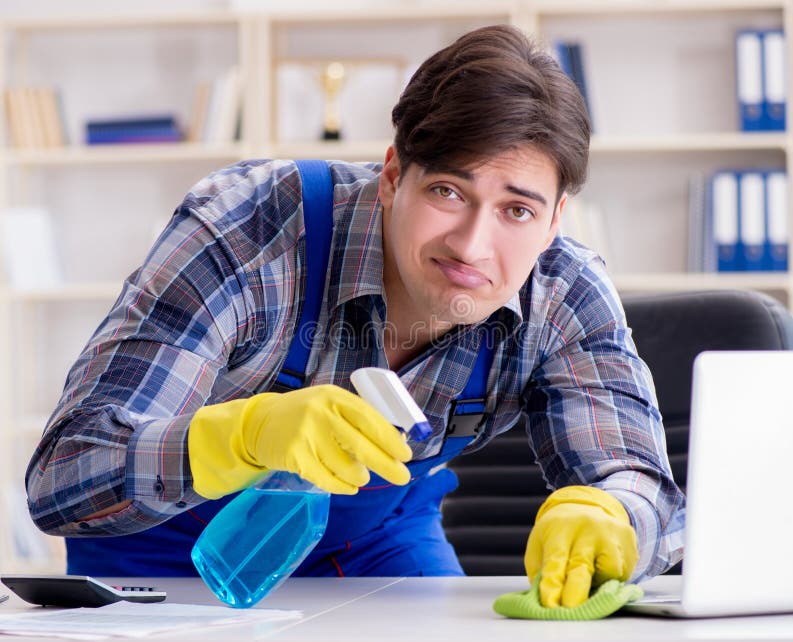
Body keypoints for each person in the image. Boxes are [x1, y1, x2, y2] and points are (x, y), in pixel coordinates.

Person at [26, 24, 684, 608]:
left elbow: (647, 492)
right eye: (448, 191)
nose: (471, 246)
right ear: (393, 175)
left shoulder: (563, 292)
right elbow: (64, 479)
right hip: (168, 550)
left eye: (517, 210)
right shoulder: (250, 229)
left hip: (375, 547)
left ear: (555, 219)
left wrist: (612, 513)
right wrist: (239, 437)